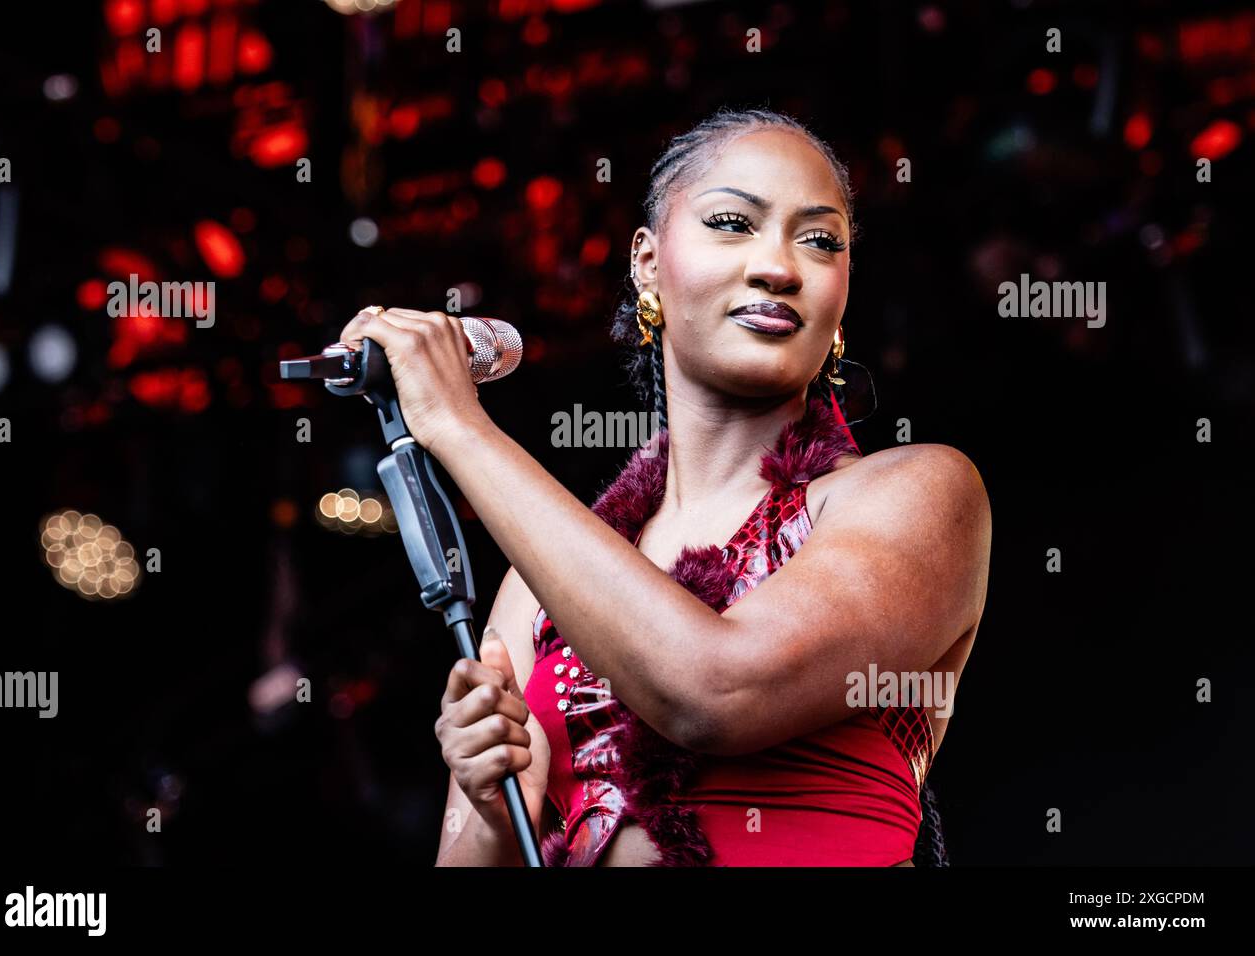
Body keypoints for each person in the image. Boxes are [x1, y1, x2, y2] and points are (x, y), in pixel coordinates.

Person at [339, 107, 992, 866]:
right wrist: (489, 813)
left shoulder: (921, 492)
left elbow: (716, 693)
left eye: (820, 240)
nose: (780, 266)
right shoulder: (539, 585)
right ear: (647, 263)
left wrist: (459, 426)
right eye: (731, 222)